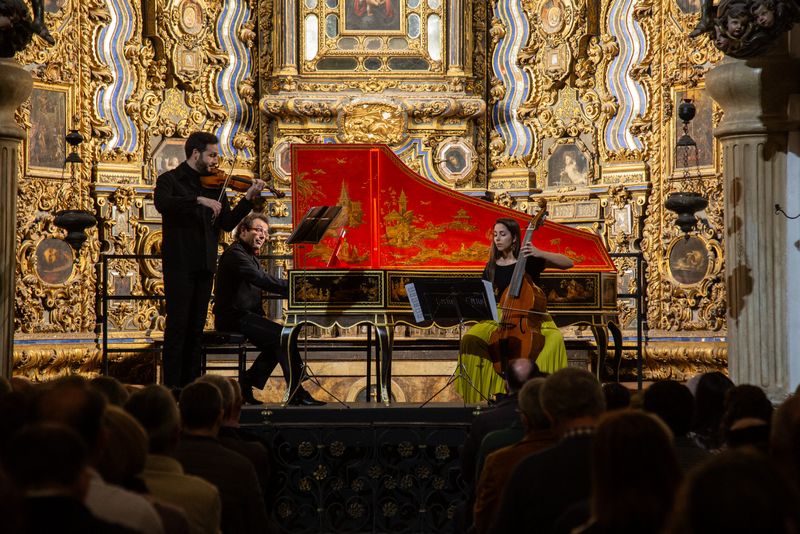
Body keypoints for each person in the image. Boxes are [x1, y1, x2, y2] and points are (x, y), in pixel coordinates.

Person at [154, 131, 265, 389]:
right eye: (212, 154)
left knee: (195, 332)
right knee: (177, 328)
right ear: (196, 154)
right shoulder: (170, 180)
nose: (216, 160)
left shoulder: (216, 186)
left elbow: (226, 223)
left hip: (205, 266)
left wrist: (247, 199)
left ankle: (192, 389)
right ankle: (172, 390)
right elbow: (163, 204)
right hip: (180, 266)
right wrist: (197, 200)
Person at [455, 217, 574, 403]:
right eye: (495, 235)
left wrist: (539, 252)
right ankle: (487, 394)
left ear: (515, 238)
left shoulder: (530, 259)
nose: (498, 239)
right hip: (501, 315)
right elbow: (485, 295)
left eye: (503, 234)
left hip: (532, 316)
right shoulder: (491, 266)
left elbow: (568, 263)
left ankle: (540, 396)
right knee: (470, 340)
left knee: (554, 341)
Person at [213, 212, 324, 406]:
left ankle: (248, 384)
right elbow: (261, 280)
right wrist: (296, 288)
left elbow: (263, 281)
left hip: (245, 316)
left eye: (265, 232)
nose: (263, 235)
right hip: (233, 317)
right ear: (243, 231)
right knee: (282, 337)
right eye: (258, 230)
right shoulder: (235, 254)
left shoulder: (249, 256)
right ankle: (296, 392)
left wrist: (296, 290)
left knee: (282, 338)